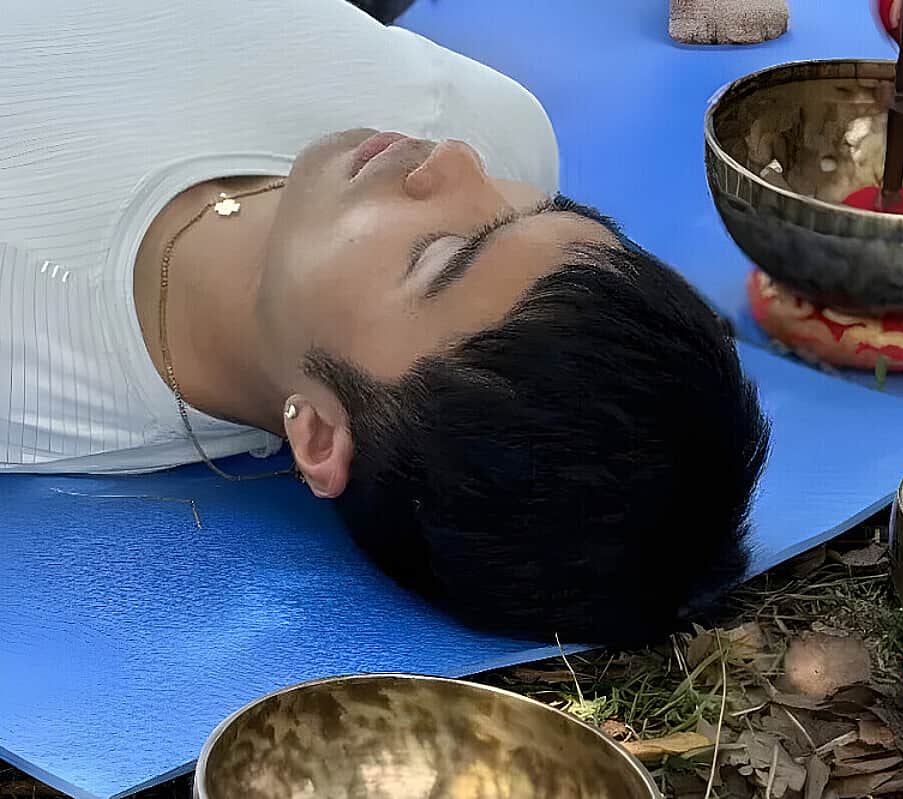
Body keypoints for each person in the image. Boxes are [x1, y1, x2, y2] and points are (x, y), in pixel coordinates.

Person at [0, 0, 769, 644]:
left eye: (439, 256)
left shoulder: (24, 341)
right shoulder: (497, 127)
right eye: (534, 205)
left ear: (321, 435)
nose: (458, 163)